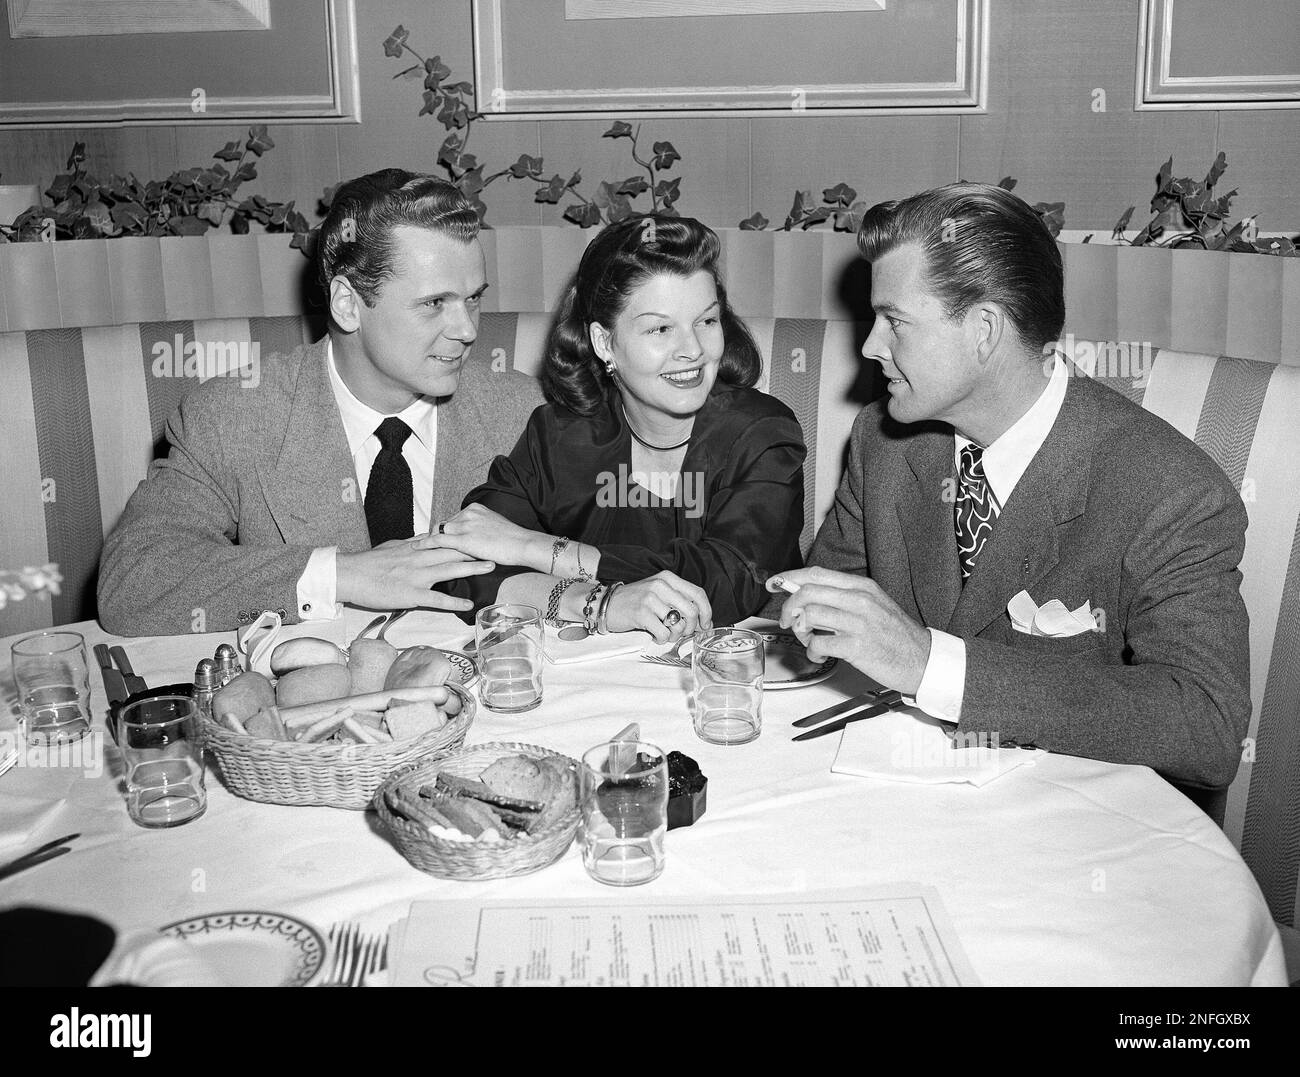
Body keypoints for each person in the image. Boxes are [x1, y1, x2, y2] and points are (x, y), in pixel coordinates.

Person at [771, 183, 1250, 806]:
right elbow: (826, 611)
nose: (869, 347)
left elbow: (1208, 728)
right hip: (892, 805)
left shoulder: (1171, 491)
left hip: (1081, 839)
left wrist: (929, 663)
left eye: (894, 322)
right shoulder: (884, 443)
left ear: (985, 330)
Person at [98, 170, 542, 636]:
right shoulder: (233, 416)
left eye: (473, 299)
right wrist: (342, 575)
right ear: (347, 304)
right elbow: (131, 586)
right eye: (434, 303)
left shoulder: (519, 410)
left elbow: (608, 554)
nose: (468, 329)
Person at [428, 214, 806, 642]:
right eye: (660, 328)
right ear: (605, 342)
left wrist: (534, 549)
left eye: (707, 321)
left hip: (730, 679)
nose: (695, 350)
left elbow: (726, 583)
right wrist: (599, 605)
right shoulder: (558, 435)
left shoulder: (763, 433)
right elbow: (464, 566)